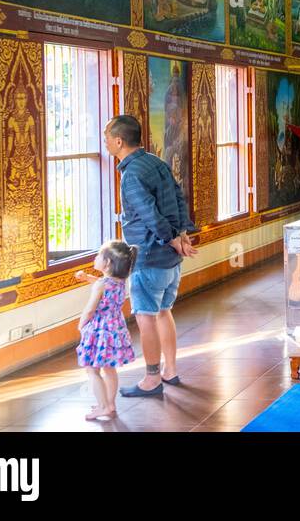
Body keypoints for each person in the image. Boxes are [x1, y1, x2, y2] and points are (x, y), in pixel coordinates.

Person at [103, 114, 197, 397]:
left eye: (107, 137)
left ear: (119, 141)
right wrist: (180, 234)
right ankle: (171, 369)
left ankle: (152, 378)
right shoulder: (157, 162)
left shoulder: (131, 175)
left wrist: (171, 238)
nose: (105, 142)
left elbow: (148, 214)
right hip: (170, 258)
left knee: (145, 316)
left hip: (149, 255)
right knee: (163, 312)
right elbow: (179, 198)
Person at [75, 241, 138, 420]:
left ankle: (102, 406)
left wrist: (81, 324)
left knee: (92, 369)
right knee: (109, 369)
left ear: (108, 263)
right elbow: (104, 285)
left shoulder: (101, 285)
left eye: (98, 256)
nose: (95, 259)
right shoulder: (119, 281)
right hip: (115, 329)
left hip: (99, 330)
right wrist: (88, 278)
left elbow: (90, 309)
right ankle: (110, 404)